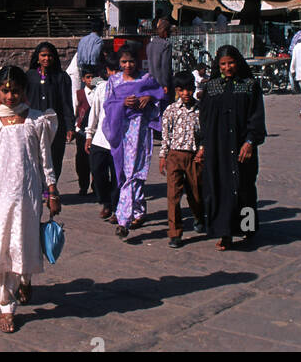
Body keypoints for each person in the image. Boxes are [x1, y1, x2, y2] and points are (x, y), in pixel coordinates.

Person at [0, 65, 59, 333]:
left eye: (16, 91)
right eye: (5, 91)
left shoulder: (37, 120)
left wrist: (52, 190)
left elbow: (45, 158)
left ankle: (25, 277)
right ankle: (5, 304)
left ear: (24, 92)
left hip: (27, 194)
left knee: (23, 241)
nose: (10, 96)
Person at [196, 45, 266, 251]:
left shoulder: (250, 85)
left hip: (243, 147)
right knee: (220, 189)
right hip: (218, 148)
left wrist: (250, 141)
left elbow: (256, 116)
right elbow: (204, 119)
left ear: (238, 62)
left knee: (245, 188)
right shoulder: (212, 87)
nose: (228, 67)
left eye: (231, 63)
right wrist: (202, 145)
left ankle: (248, 228)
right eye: (223, 64)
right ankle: (224, 233)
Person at [103, 42, 166, 238]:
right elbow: (108, 105)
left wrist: (148, 97)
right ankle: (137, 210)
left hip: (140, 130)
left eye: (131, 61)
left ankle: (123, 219)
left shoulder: (146, 79)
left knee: (134, 171)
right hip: (121, 130)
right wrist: (122, 103)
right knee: (127, 171)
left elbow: (160, 95)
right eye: (124, 61)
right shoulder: (113, 82)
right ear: (119, 62)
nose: (128, 65)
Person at [159, 72, 205, 247]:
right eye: (182, 90)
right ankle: (175, 233)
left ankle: (199, 217)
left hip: (194, 157)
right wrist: (163, 156)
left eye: (189, 89)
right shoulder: (170, 111)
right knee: (173, 196)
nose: (186, 93)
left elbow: (204, 134)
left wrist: (202, 150)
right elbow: (166, 136)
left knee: (196, 193)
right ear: (177, 90)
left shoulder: (200, 110)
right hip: (174, 156)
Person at [25, 42, 74, 186]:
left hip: (56, 126)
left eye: (50, 55)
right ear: (37, 57)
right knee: (34, 157)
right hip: (34, 123)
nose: (47, 58)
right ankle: (37, 187)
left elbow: (67, 103)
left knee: (54, 157)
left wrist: (70, 126)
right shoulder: (29, 76)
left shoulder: (62, 77)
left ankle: (51, 187)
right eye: (43, 55)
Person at [85, 54, 119, 220]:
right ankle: (105, 202)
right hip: (100, 139)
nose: (115, 74)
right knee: (98, 172)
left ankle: (116, 207)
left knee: (117, 176)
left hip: (119, 141)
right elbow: (95, 112)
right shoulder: (101, 88)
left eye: (118, 70)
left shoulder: (128, 88)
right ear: (107, 71)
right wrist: (89, 134)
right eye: (112, 70)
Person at [73, 64, 97, 195]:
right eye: (88, 77)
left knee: (96, 160)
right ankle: (83, 185)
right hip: (82, 132)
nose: (90, 80)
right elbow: (75, 111)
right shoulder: (79, 94)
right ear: (83, 79)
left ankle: (96, 185)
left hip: (97, 131)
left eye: (93, 77)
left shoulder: (100, 92)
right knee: (82, 161)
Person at [145, 17, 174, 104]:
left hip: (151, 82)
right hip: (162, 83)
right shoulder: (166, 45)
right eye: (169, 31)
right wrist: (165, 84)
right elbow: (165, 66)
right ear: (165, 32)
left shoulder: (150, 45)